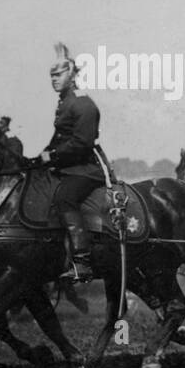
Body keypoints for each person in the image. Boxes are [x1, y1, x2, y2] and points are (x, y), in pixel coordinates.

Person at [38, 42, 106, 283]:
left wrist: (53, 157)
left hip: (86, 170)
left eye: (59, 74)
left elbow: (81, 143)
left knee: (64, 198)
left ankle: (82, 261)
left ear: (73, 74)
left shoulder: (82, 103)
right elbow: (59, 139)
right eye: (52, 76)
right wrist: (39, 158)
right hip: (68, 167)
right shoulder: (65, 102)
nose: (54, 79)